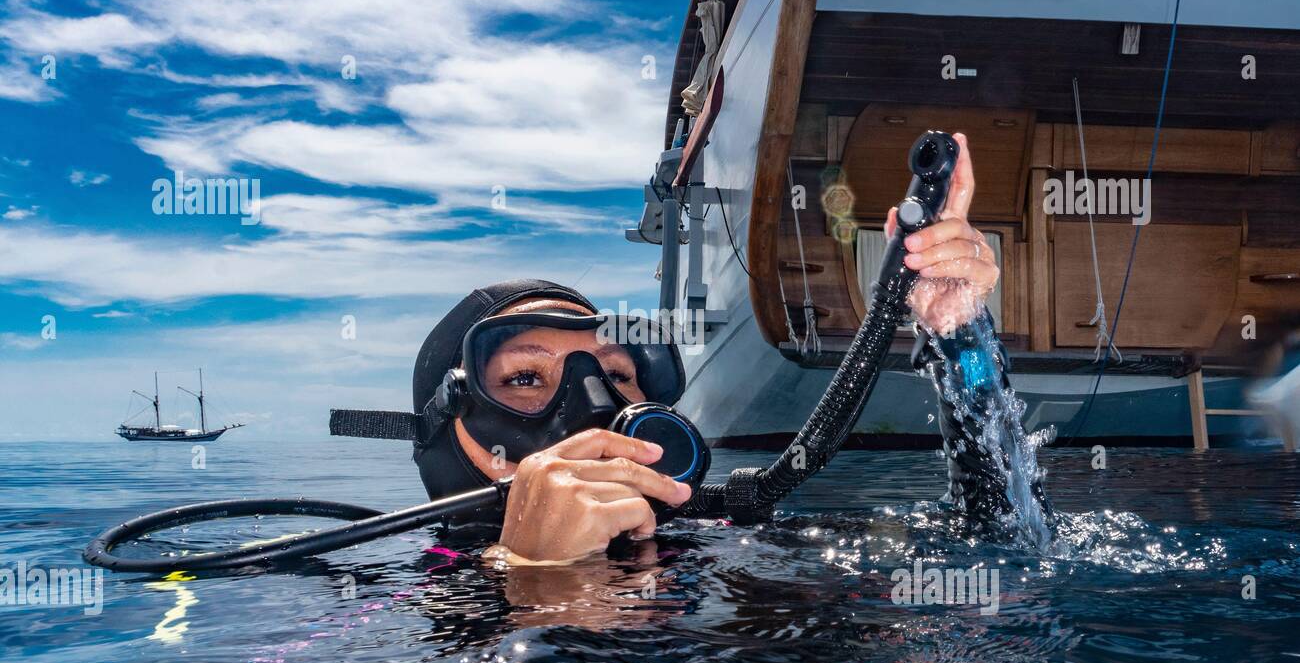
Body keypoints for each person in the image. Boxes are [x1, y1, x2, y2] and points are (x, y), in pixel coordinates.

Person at [335, 134, 1031, 562]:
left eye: (618, 370)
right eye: (523, 377)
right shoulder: (387, 606)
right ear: (447, 436)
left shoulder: (735, 537)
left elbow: (1000, 544)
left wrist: (959, 331)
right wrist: (535, 579)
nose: (595, 401)